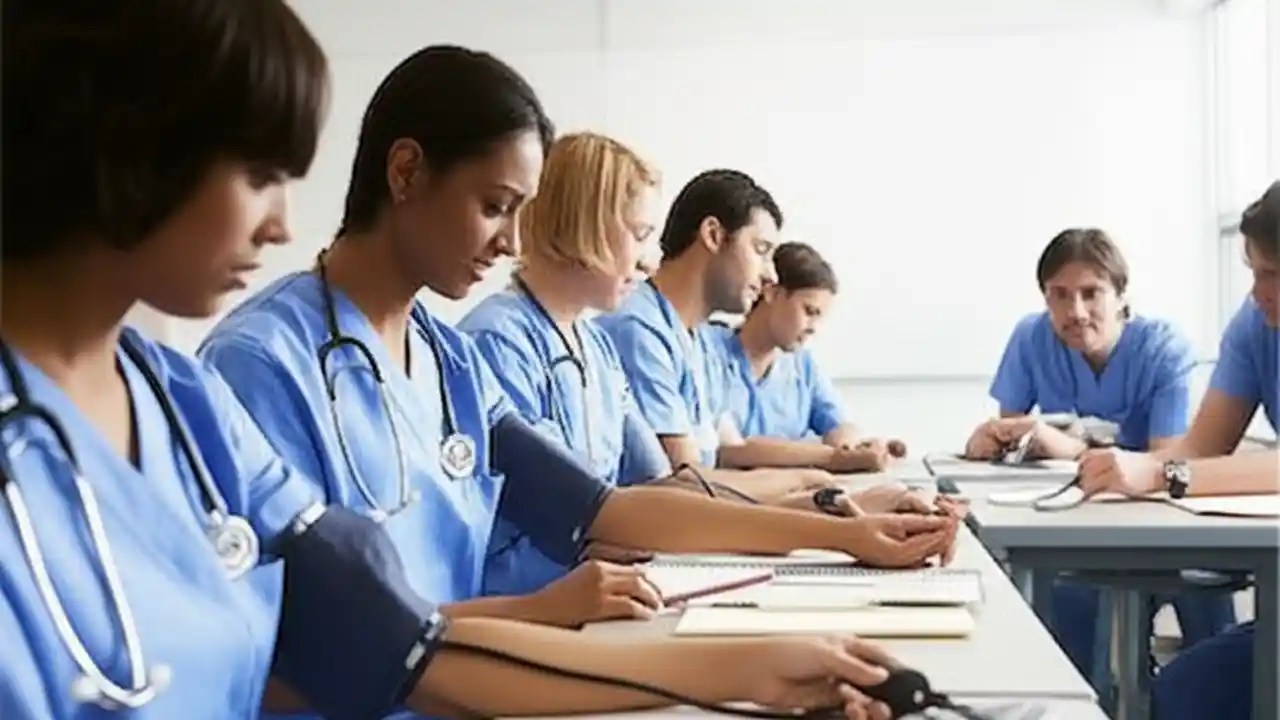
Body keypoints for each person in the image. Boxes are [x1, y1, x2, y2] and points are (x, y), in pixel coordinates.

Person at [0, 5, 928, 720]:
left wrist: (751, 665)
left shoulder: (182, 399)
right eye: (256, 175)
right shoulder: (255, 364)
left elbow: (401, 643)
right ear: (121, 145)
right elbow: (336, 665)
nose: (281, 222)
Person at [456, 132, 943, 597]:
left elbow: (669, 485)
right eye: (640, 235)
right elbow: (602, 518)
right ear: (587, 223)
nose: (648, 261)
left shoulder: (593, 347)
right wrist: (826, 515)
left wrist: (825, 504)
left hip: (601, 588)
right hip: (541, 604)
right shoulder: (500, 341)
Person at [962, 229, 1237, 701]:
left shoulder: (1162, 348)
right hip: (1076, 521)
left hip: (1164, 523)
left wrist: (1069, 448)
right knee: (1068, 607)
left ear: (1121, 296)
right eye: (1060, 296)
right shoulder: (1031, 338)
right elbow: (1015, 435)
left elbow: (1170, 457)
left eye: (1092, 293)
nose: (1076, 312)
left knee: (1207, 650)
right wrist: (993, 440)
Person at [1080, 181, 1280, 720]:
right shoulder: (1257, 326)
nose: (1258, 289)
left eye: (1273, 274)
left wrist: (1163, 475)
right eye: (1254, 270)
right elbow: (1200, 447)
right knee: (1186, 691)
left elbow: (1184, 469)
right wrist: (1118, 469)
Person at [596, 170, 894, 478]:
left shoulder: (695, 340)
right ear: (713, 235)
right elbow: (691, 485)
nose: (771, 276)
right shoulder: (640, 330)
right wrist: (811, 480)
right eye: (761, 250)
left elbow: (728, 449)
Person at [709, 241, 908, 470]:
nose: (814, 327)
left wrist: (851, 447)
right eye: (809, 311)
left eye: (820, 318)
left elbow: (839, 425)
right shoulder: (710, 352)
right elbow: (732, 450)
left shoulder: (802, 366)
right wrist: (831, 457)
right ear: (772, 293)